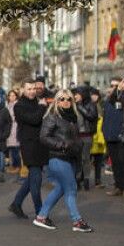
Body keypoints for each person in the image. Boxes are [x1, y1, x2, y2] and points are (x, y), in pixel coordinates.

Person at [32, 89, 94, 232]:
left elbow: (76, 137)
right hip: (58, 157)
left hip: (71, 157)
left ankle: (41, 216)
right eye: (62, 99)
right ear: (56, 101)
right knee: (71, 189)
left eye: (68, 99)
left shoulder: (73, 117)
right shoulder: (52, 116)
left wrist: (78, 147)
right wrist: (62, 145)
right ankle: (77, 221)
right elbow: (43, 137)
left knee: (61, 188)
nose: (65, 102)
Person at [9, 81, 47, 219]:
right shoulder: (19, 106)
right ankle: (40, 212)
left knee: (32, 179)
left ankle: (16, 203)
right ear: (22, 90)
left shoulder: (38, 102)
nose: (32, 91)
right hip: (29, 146)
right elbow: (34, 119)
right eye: (29, 89)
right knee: (36, 181)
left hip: (41, 145)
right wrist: (42, 107)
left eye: (34, 88)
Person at [101, 77, 124, 196]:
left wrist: (119, 91)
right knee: (115, 164)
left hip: (121, 135)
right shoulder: (108, 99)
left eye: (116, 85)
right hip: (110, 135)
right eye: (112, 85)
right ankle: (118, 186)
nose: (114, 88)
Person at [73, 87, 99, 191]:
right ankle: (78, 179)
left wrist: (79, 107)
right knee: (77, 158)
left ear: (83, 94)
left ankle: (86, 179)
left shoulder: (91, 104)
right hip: (76, 135)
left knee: (85, 158)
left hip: (87, 135)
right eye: (74, 94)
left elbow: (92, 116)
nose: (75, 96)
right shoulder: (73, 105)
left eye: (77, 94)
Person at [5, 89, 22, 173]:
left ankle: (18, 166)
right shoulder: (8, 104)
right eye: (10, 95)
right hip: (9, 128)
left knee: (15, 148)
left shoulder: (17, 105)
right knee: (11, 148)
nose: (11, 97)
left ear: (16, 96)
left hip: (15, 127)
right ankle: (14, 165)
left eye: (13, 95)